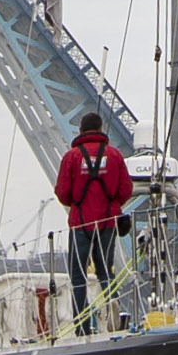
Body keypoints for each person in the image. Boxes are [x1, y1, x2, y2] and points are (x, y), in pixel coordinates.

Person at [53, 110, 134, 306]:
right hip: (107, 223)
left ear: (80, 131)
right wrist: (112, 206)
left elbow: (62, 192)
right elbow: (126, 189)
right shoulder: (115, 155)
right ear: (100, 129)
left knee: (78, 276)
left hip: (80, 224)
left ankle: (81, 323)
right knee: (106, 271)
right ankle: (115, 315)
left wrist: (78, 204)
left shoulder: (71, 157)